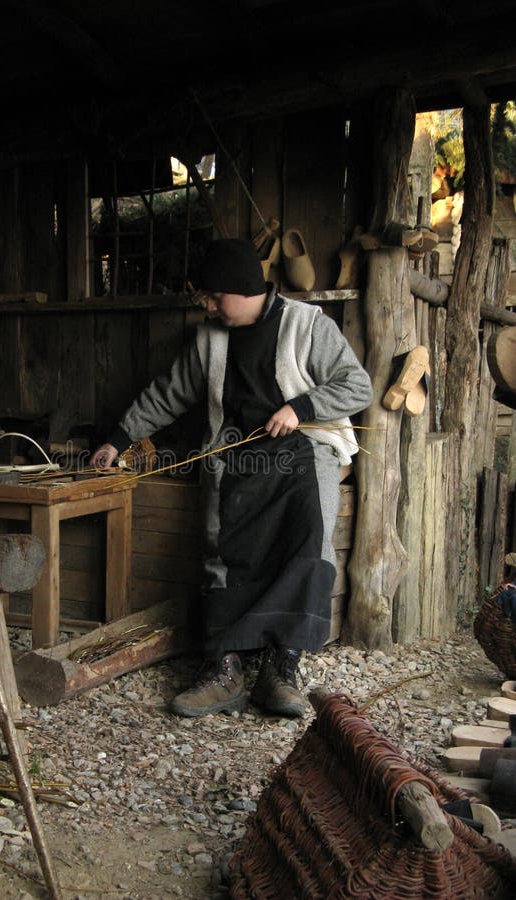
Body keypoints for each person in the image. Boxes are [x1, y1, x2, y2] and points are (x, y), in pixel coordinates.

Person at [91, 238, 373, 718]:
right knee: (221, 546)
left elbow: (356, 385)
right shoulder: (209, 337)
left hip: (303, 452)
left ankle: (282, 667)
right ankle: (224, 668)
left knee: (310, 539)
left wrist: (299, 408)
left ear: (242, 290)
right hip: (235, 453)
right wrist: (118, 439)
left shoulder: (308, 325)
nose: (208, 306)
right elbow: (169, 394)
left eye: (213, 297)